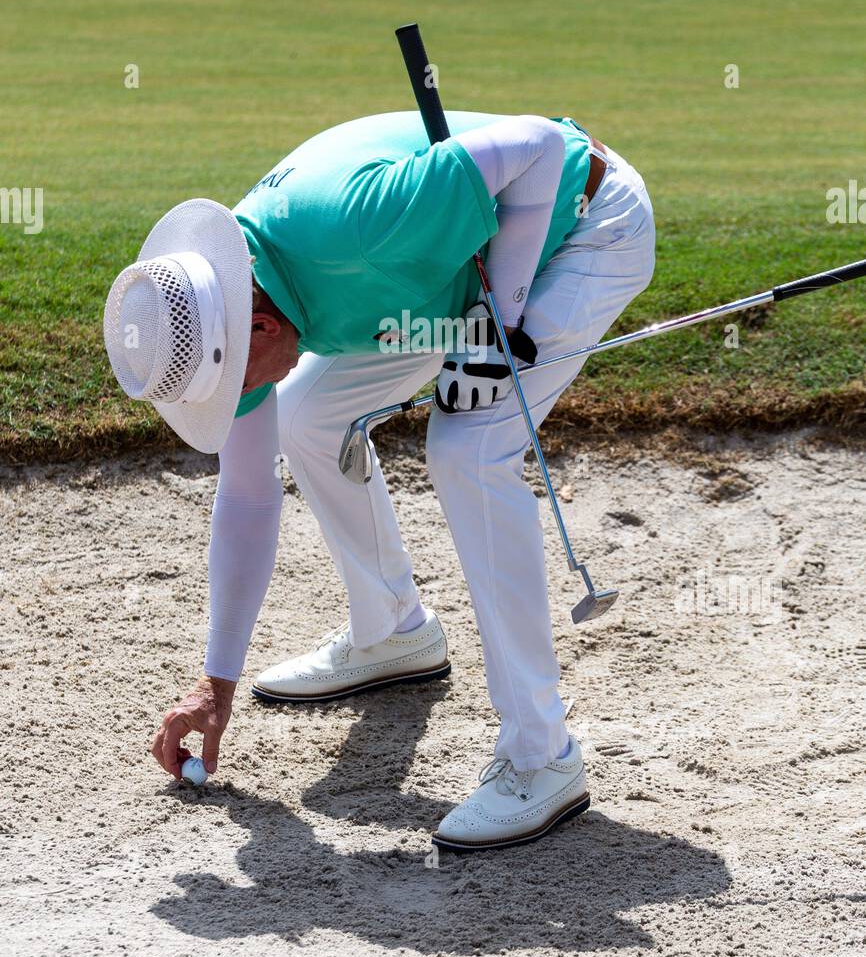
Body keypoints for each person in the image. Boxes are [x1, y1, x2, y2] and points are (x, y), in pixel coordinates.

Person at [104, 110, 654, 850]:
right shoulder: (228, 301)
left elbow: (539, 147)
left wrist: (504, 319)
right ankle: (394, 631)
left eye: (228, 386)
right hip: (436, 293)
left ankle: (542, 757)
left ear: (258, 331)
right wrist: (215, 688)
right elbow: (247, 495)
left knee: (468, 450)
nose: (232, 402)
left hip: (584, 227)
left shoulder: (356, 228)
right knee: (303, 417)